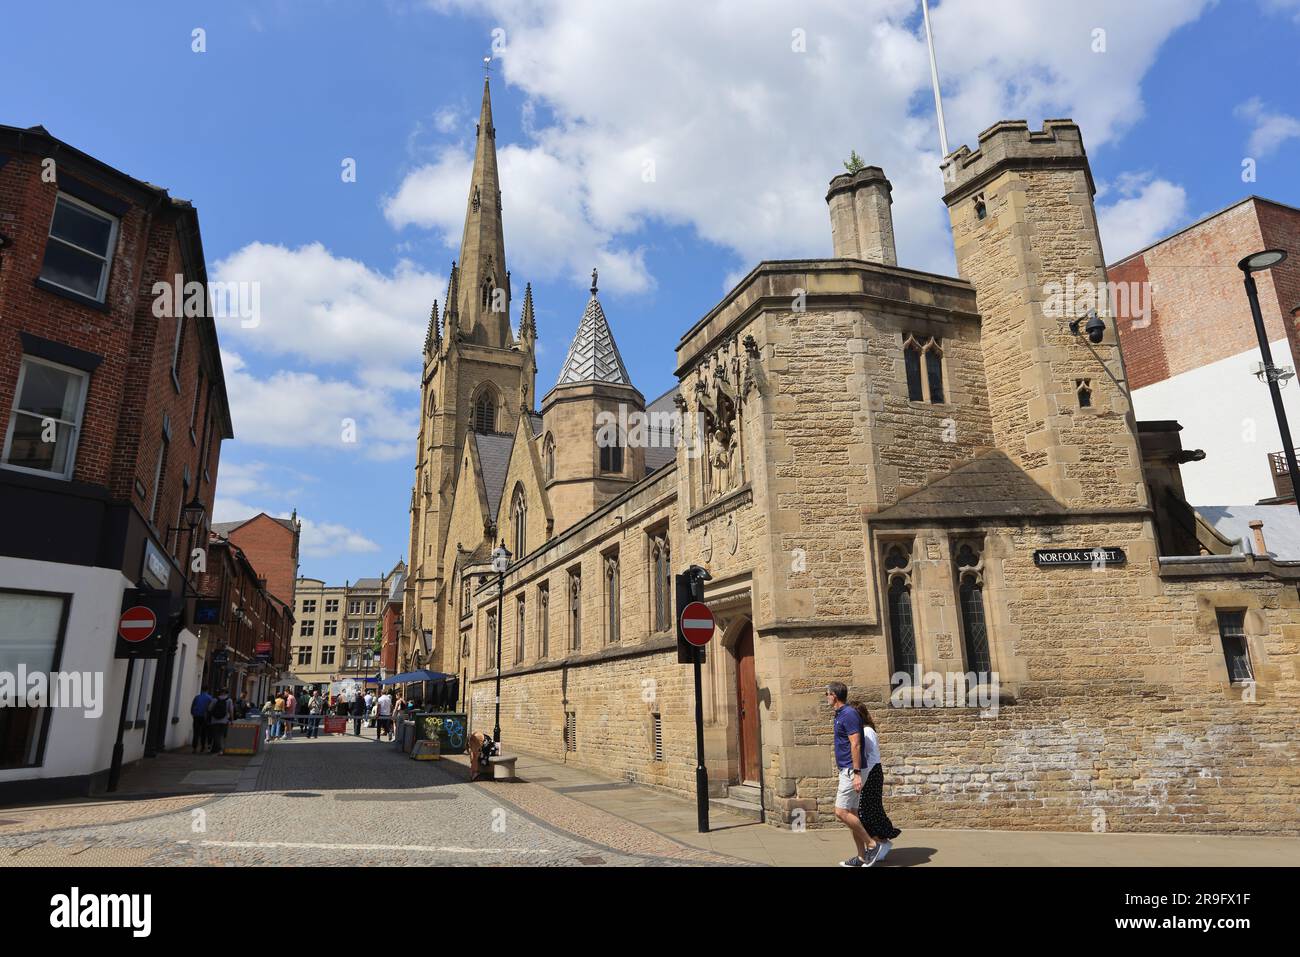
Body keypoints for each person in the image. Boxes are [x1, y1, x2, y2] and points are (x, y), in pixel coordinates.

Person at [826, 681, 888, 867]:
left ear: (834, 695)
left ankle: (872, 845)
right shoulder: (840, 714)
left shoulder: (849, 714)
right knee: (852, 813)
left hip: (851, 771)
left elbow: (856, 744)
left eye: (827, 694)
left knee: (840, 811)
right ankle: (861, 857)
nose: (826, 697)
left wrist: (857, 773)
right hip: (846, 769)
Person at [207, 687, 234, 755]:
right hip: (224, 721)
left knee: (216, 735)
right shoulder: (229, 700)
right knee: (222, 735)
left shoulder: (215, 699)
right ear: (226, 693)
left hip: (215, 720)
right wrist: (231, 720)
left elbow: (209, 709)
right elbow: (231, 711)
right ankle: (221, 749)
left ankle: (218, 749)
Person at [190, 687, 213, 754]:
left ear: (201, 690)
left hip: (196, 716)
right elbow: (210, 708)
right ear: (207, 690)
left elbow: (192, 706)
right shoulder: (210, 698)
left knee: (196, 732)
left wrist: (193, 713)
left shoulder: (197, 697)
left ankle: (194, 748)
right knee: (204, 732)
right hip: (205, 717)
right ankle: (202, 747)